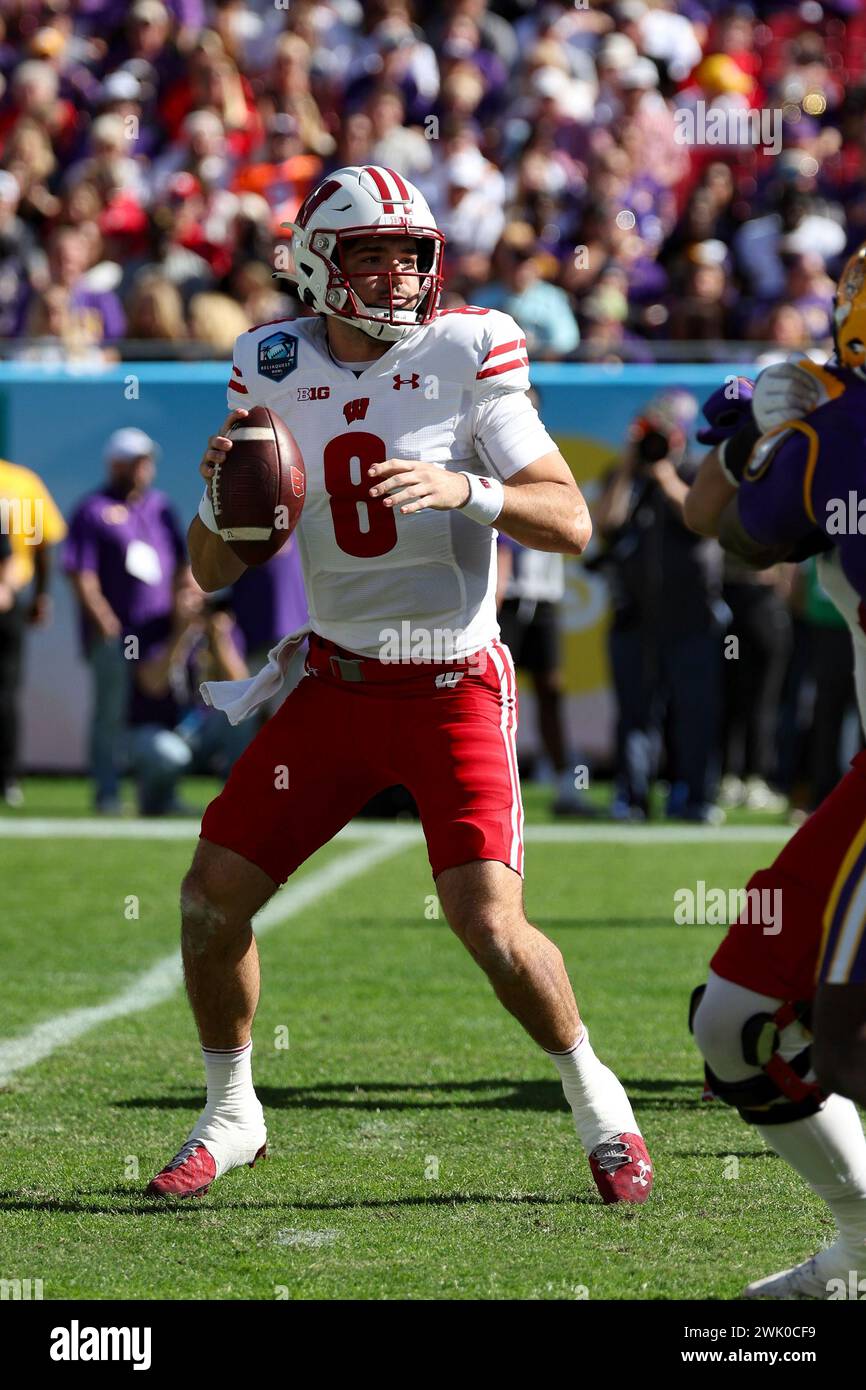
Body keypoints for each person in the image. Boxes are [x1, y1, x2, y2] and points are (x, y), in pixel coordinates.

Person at [147, 164, 654, 1206]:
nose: (393, 275)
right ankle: (232, 1107)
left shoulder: (468, 349)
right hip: (333, 683)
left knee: (489, 925)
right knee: (209, 902)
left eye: (408, 253)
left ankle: (598, 1099)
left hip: (451, 682)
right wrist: (220, 497)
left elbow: (569, 518)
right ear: (317, 264)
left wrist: (465, 486)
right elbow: (210, 568)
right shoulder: (269, 360)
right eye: (369, 253)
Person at [683, 243, 866, 1298]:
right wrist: (751, 435)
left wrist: (764, 435)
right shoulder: (832, 431)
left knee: (830, 1029)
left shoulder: (835, 429)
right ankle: (857, 1243)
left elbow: (734, 529)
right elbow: (723, 525)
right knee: (736, 1018)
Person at [593, 389, 725, 823]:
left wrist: (665, 474)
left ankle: (694, 798)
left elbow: (699, 520)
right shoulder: (626, 478)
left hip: (692, 618)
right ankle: (631, 798)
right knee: (634, 713)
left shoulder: (695, 473)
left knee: (694, 713)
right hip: (634, 617)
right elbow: (605, 525)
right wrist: (630, 470)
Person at [64, 427, 187, 813]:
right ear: (115, 463)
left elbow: (183, 567)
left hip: (158, 635)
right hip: (116, 636)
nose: (144, 468)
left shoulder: (160, 508)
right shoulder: (92, 509)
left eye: (147, 460)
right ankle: (108, 791)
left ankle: (159, 796)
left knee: (164, 711)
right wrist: (104, 621)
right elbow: (80, 573)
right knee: (111, 713)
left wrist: (186, 613)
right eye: (136, 461)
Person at [128, 572, 250, 816]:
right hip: (158, 730)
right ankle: (157, 803)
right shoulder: (149, 629)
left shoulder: (222, 628)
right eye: (186, 590)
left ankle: (236, 804)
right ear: (171, 592)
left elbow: (244, 690)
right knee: (168, 754)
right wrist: (181, 635)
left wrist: (220, 640)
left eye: (200, 592)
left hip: (202, 731)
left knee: (245, 720)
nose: (194, 599)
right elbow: (153, 685)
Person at [0, 456, 67, 805]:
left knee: (5, 694)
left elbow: (37, 544)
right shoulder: (21, 482)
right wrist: (39, 595)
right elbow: (42, 546)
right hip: (10, 595)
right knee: (5, 693)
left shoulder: (20, 483)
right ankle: (7, 778)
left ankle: (7, 776)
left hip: (7, 597)